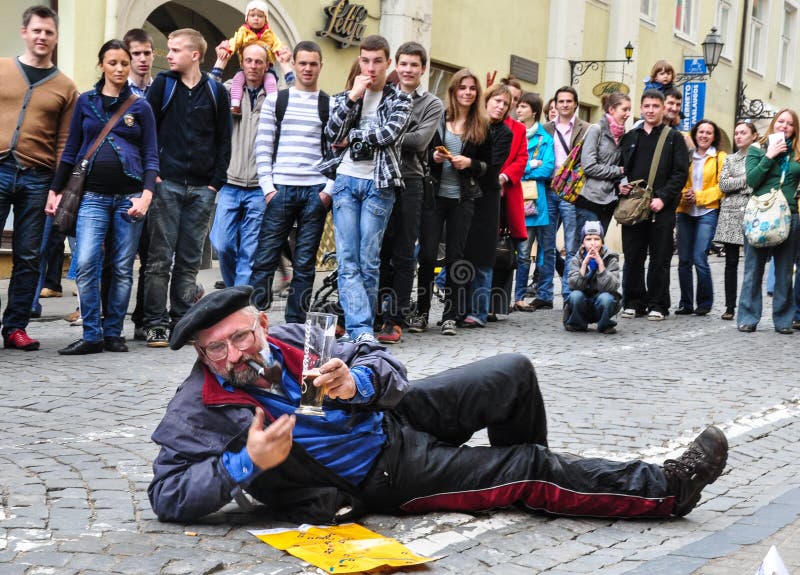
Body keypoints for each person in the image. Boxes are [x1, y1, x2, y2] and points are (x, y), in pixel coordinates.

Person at [147, 285, 729, 525]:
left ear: (261, 323)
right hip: (383, 474)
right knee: (525, 464)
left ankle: (539, 486)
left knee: (514, 372)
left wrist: (359, 384)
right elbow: (166, 494)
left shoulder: (296, 338)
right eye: (214, 348)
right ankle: (664, 490)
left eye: (240, 337)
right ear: (201, 353)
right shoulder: (198, 405)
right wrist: (243, 463)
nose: (232, 354)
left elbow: (378, 355)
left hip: (391, 418)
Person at [45, 39, 158, 355]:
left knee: (122, 267)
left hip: (129, 197)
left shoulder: (140, 106)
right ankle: (92, 334)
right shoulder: (86, 102)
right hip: (92, 196)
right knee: (85, 262)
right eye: (113, 63)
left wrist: (146, 195)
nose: (120, 68)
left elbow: (151, 155)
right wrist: (55, 190)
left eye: (124, 63)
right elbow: (70, 151)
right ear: (102, 65)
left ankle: (113, 334)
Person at [318, 35, 412, 343]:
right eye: (365, 61)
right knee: (347, 259)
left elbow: (389, 134)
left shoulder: (400, 99)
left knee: (368, 259)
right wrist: (352, 98)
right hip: (345, 181)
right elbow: (332, 133)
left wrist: (354, 135)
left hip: (379, 184)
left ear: (388, 63)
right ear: (359, 61)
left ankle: (363, 326)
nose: (370, 68)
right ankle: (360, 329)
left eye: (377, 61)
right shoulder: (344, 97)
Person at [142, 28, 232, 348]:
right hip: (167, 185)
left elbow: (224, 139)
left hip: (202, 189)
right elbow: (147, 131)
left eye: (175, 50)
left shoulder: (215, 91)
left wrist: (214, 183)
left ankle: (181, 318)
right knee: (159, 258)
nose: (168, 55)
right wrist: (154, 175)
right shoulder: (163, 86)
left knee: (190, 260)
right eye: (169, 49)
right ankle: (154, 323)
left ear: (195, 55)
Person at [0, 5, 78, 351]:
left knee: (30, 255)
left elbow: (65, 142)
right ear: (24, 32)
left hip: (37, 177)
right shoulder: (2, 69)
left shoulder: (65, 86)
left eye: (48, 32)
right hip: (0, 167)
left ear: (55, 37)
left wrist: (57, 187)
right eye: (37, 31)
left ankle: (14, 326)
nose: (42, 37)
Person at [250, 40, 332, 323]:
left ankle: (295, 324)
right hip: (281, 189)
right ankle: (255, 320)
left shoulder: (328, 104)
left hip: (315, 192)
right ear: (294, 65)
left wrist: (327, 191)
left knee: (305, 263)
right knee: (264, 259)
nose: (308, 68)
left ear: (321, 66)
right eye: (303, 63)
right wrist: (268, 188)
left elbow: (336, 151)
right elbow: (263, 145)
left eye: (313, 63)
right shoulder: (277, 100)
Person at [413, 69, 491, 336]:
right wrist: (433, 159)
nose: (467, 92)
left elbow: (488, 167)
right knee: (426, 255)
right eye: (462, 88)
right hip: (434, 196)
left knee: (456, 258)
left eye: (472, 88)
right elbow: (421, 154)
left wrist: (469, 163)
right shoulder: (439, 119)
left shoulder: (481, 125)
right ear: (454, 91)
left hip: (463, 198)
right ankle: (421, 312)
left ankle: (450, 315)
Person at [376, 42, 443, 343]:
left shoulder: (432, 104)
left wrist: (384, 134)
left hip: (411, 181)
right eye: (403, 64)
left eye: (413, 65)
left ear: (422, 68)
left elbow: (420, 142)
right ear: (396, 65)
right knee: (379, 252)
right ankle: (377, 312)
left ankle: (396, 317)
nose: (407, 70)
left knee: (403, 253)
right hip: (380, 179)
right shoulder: (383, 94)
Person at [618, 90, 689, 321]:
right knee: (633, 256)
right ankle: (634, 302)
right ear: (641, 108)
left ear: (662, 109)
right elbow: (621, 168)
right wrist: (622, 185)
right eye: (646, 106)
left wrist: (664, 197)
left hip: (661, 207)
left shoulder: (673, 137)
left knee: (660, 257)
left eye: (655, 106)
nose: (650, 110)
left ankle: (658, 304)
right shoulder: (631, 136)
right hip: (634, 206)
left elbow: (680, 173)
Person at [207, 43, 274, 290]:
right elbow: (205, 93)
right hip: (230, 182)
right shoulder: (227, 91)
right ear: (242, 63)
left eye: (259, 62)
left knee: (250, 249)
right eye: (249, 61)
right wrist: (219, 63)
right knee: (222, 243)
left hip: (259, 186)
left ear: (267, 65)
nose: (254, 66)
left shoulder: (275, 96)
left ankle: (237, 300)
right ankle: (234, 287)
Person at [738, 109, 800, 334]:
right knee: (753, 269)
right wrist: (770, 155)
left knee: (784, 272)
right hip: (760, 214)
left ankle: (783, 320)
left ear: (795, 129)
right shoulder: (757, 149)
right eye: (780, 121)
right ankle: (748, 317)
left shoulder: (797, 153)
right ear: (774, 123)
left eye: (790, 124)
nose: (784, 126)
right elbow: (753, 180)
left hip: (790, 216)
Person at [533, 86, 590, 310]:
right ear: (554, 105)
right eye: (561, 101)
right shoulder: (545, 128)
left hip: (570, 192)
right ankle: (545, 294)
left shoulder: (585, 129)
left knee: (571, 244)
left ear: (575, 104)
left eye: (569, 101)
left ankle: (568, 292)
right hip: (548, 189)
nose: (564, 105)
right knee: (546, 244)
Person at [462, 83, 513, 327]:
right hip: (465, 195)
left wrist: (468, 163)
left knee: (483, 256)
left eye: (505, 104)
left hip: (488, 197)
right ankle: (459, 309)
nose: (501, 107)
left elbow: (493, 165)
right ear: (487, 100)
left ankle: (479, 312)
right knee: (462, 253)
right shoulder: (472, 124)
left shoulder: (505, 133)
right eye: (497, 101)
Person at [675, 120, 726, 316]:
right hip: (685, 211)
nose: (704, 135)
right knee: (684, 259)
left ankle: (704, 303)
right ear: (695, 134)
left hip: (707, 211)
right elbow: (676, 177)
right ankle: (686, 303)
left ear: (714, 137)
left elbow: (721, 186)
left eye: (709, 133)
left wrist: (699, 197)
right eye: (701, 132)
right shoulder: (687, 155)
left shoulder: (719, 157)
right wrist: (684, 194)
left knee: (699, 257)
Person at [514, 93, 554, 312]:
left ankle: (531, 295)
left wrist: (525, 167)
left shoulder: (544, 138)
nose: (518, 110)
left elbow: (548, 169)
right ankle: (510, 296)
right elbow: (509, 163)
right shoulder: (513, 133)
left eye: (523, 107)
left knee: (535, 251)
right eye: (518, 106)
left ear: (534, 111)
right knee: (514, 252)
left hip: (535, 202)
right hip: (514, 197)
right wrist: (531, 164)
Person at [715, 120, 758, 321]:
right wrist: (745, 179)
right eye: (736, 133)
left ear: (754, 136)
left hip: (753, 212)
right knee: (730, 263)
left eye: (743, 133)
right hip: (731, 213)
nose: (738, 136)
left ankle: (748, 306)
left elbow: (758, 181)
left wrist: (739, 181)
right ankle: (729, 306)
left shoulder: (760, 157)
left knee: (752, 263)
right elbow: (723, 184)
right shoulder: (730, 159)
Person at [574, 92, 629, 239]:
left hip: (609, 201)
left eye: (629, 110)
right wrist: (617, 170)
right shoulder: (596, 130)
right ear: (611, 110)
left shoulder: (623, 135)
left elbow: (624, 167)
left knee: (599, 247)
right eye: (624, 109)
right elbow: (589, 166)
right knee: (586, 247)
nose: (628, 114)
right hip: (589, 200)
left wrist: (622, 181)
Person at [218, 0, 285, 114]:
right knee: (237, 81)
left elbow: (277, 44)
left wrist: (282, 52)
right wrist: (227, 49)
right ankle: (235, 104)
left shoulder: (269, 34)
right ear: (247, 18)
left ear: (265, 19)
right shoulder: (243, 32)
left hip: (267, 68)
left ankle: (273, 106)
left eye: (260, 16)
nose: (256, 18)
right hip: (244, 69)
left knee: (271, 83)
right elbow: (234, 41)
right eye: (252, 15)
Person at [564, 221, 621, 333]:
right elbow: (573, 285)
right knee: (575, 296)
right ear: (582, 243)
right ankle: (577, 324)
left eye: (597, 239)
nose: (593, 243)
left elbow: (612, 286)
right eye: (588, 239)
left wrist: (601, 265)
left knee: (606, 298)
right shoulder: (576, 259)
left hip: (601, 302)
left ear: (602, 242)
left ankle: (605, 325)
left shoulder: (610, 259)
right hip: (583, 303)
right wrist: (584, 266)